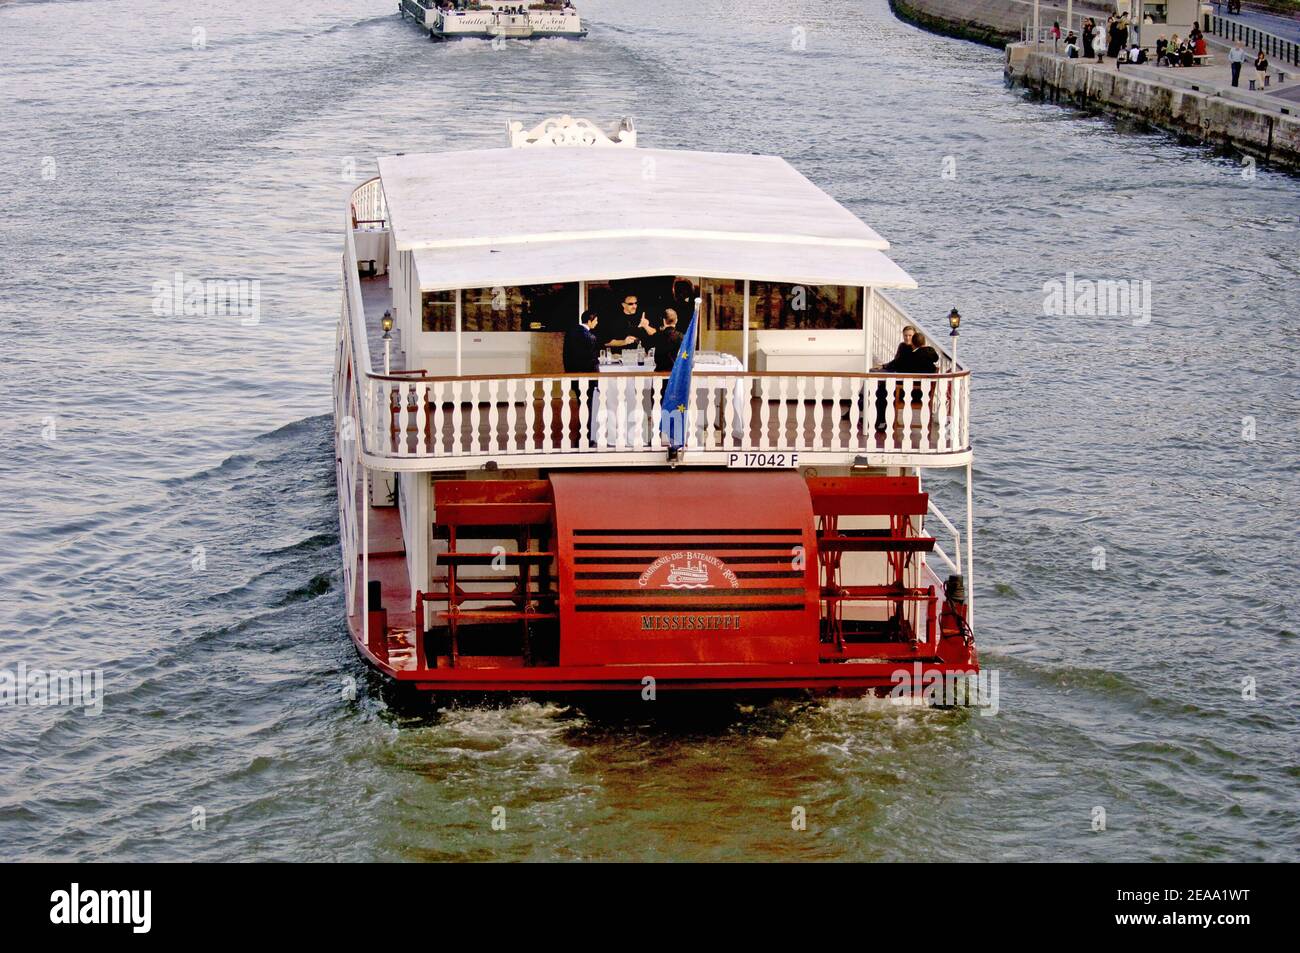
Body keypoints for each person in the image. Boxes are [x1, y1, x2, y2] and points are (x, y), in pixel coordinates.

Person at [563, 310, 601, 445]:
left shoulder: (572, 332)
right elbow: (590, 358)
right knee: (588, 406)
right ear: (590, 321)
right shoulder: (587, 336)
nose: (597, 323)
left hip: (574, 375)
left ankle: (583, 434)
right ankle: (587, 436)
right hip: (586, 376)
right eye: (596, 320)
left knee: (582, 404)